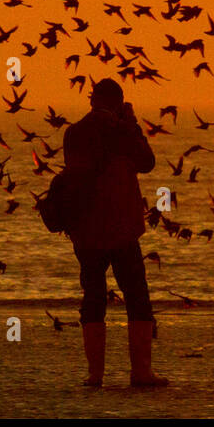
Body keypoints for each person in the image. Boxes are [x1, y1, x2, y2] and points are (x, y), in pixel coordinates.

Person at [62, 78, 166, 387]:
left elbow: (74, 172)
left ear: (92, 100)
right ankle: (141, 372)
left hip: (85, 229)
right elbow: (147, 162)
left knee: (93, 296)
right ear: (119, 102)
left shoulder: (74, 132)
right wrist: (130, 123)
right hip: (121, 227)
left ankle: (95, 374)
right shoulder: (121, 130)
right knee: (136, 295)